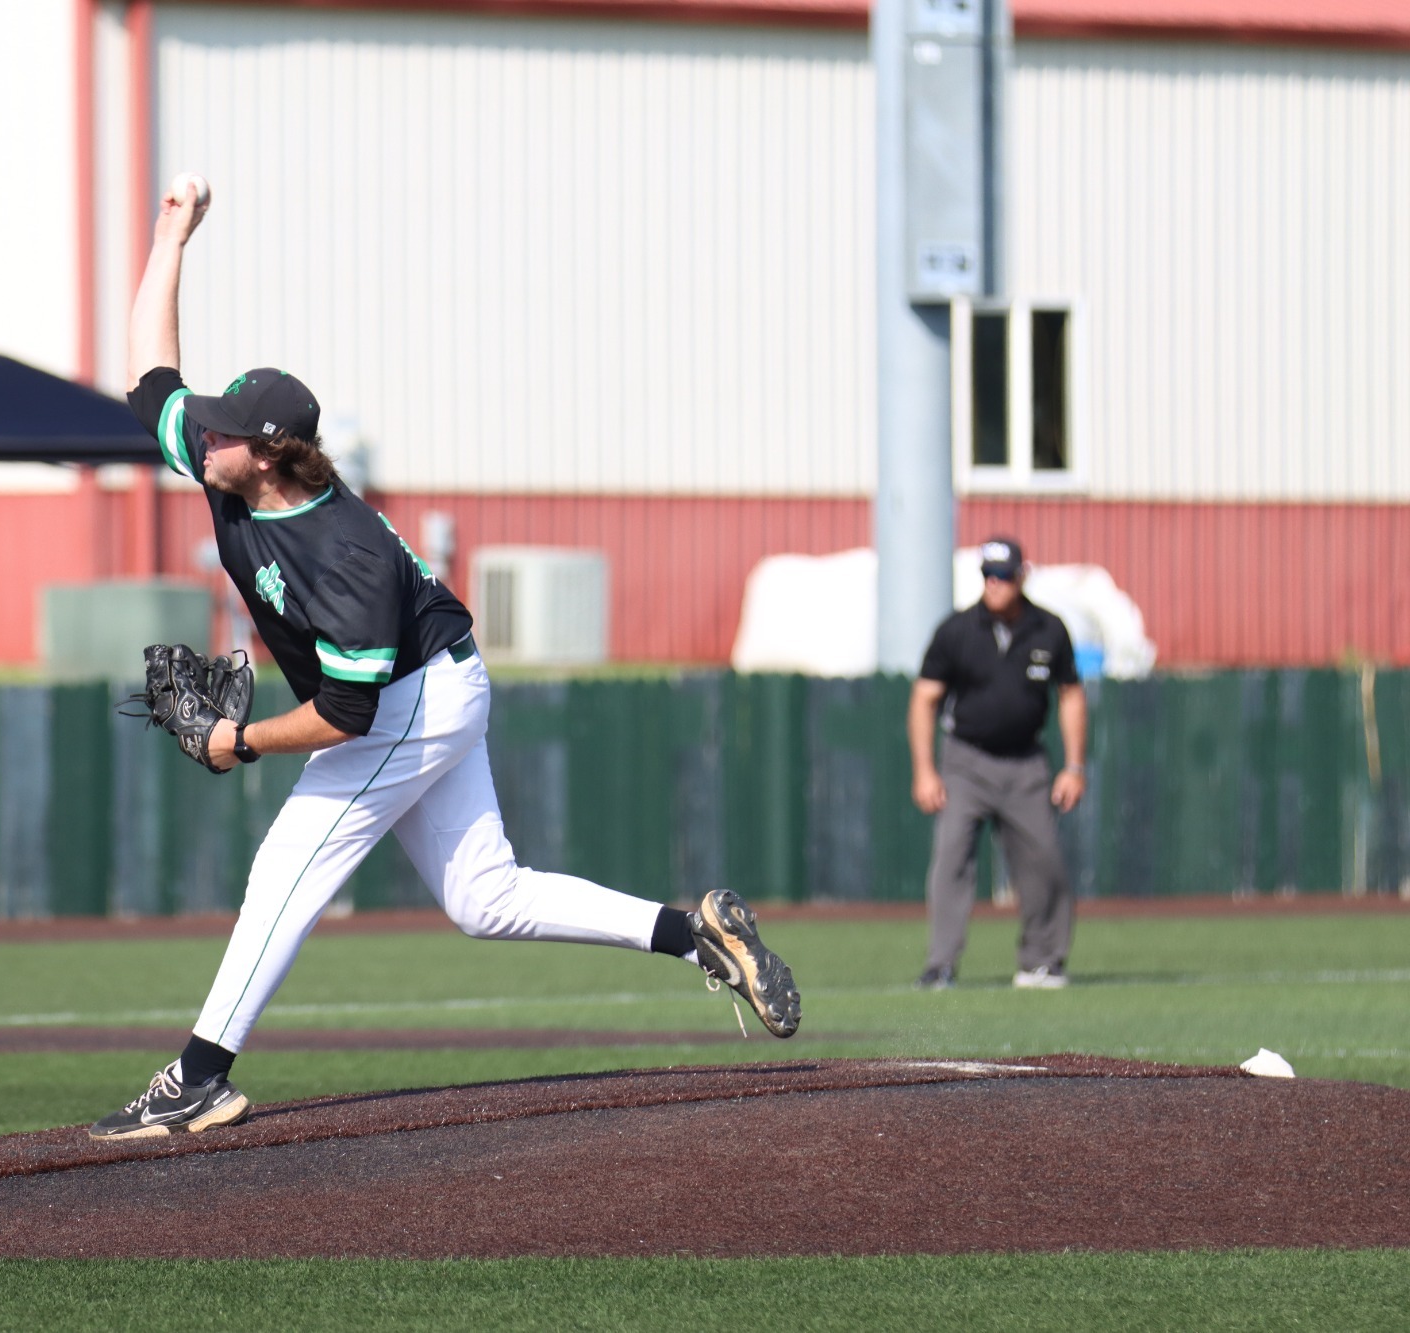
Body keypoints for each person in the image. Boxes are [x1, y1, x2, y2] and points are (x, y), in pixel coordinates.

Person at [87, 177, 802, 1140]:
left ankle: (200, 1076)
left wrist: (238, 741)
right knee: (486, 898)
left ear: (264, 454)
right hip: (432, 682)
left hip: (413, 699)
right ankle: (698, 936)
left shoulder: (344, 554)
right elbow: (147, 378)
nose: (198, 433)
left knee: (288, 865)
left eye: (219, 429)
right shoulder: (233, 478)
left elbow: (348, 714)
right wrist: (173, 234)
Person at [908, 537, 1086, 990]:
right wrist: (925, 769)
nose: (995, 584)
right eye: (988, 575)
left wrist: (1074, 765)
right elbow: (925, 699)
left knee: (1043, 858)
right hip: (966, 761)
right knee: (951, 858)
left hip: (1026, 763)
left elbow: (1070, 696)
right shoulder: (957, 630)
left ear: (1021, 576)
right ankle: (941, 964)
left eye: (1003, 575)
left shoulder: (1049, 629)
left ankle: (1042, 962)